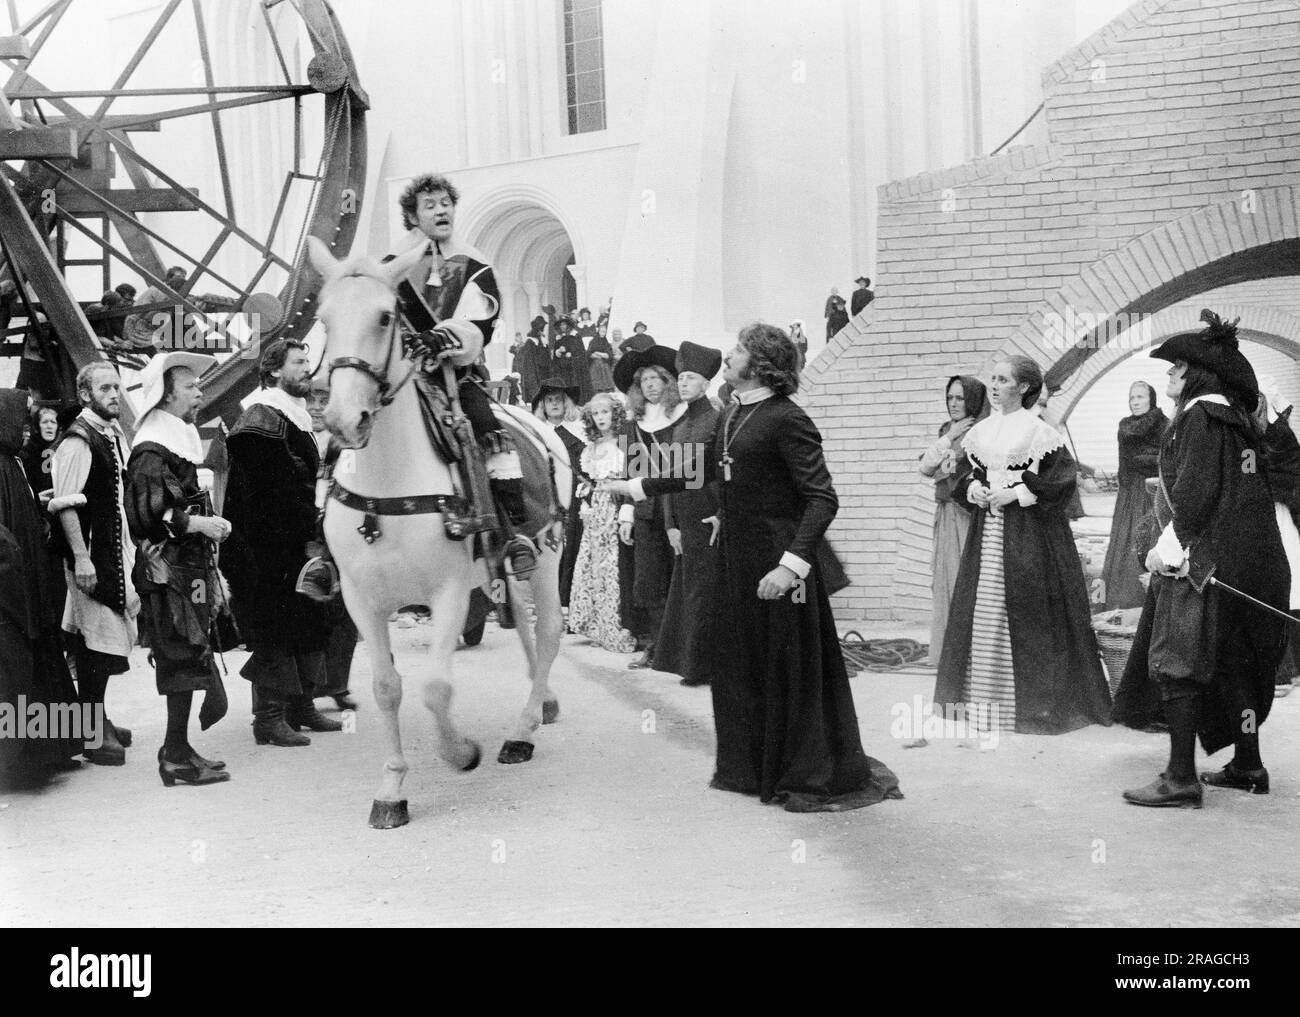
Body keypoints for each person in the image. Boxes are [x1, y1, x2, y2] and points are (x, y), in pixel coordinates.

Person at [604, 323, 902, 811]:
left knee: (785, 667)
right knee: (739, 665)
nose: (729, 353)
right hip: (735, 560)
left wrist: (790, 567)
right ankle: (748, 769)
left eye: (740, 348)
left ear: (761, 363)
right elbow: (701, 468)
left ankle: (804, 771)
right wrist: (637, 488)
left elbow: (822, 499)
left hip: (778, 565)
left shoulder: (788, 418)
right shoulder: (734, 412)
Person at [1117, 311, 1288, 808]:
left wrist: (1166, 549)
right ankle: (1249, 765)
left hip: (1205, 563)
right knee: (1236, 665)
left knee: (1178, 661)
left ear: (1197, 374)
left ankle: (1180, 777)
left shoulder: (1198, 417)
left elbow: (1195, 494)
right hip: (1250, 562)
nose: (1168, 375)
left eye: (1175, 368)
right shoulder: (1233, 420)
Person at [934, 355, 1112, 735]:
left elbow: (1061, 481)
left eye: (1003, 379)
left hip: (1030, 535)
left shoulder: (1040, 431)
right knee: (983, 607)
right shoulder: (982, 431)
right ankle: (982, 701)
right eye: (993, 379)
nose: (994, 386)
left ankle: (1033, 708)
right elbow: (964, 473)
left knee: (1030, 611)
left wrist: (1016, 494)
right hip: (988, 533)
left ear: (1025, 387)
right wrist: (974, 488)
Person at [387, 173, 539, 575]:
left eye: (445, 203)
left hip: (456, 374)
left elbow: (482, 322)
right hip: (401, 375)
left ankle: (511, 530)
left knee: (486, 425)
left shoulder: (473, 264)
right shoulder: (389, 266)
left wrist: (443, 338)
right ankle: (326, 548)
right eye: (430, 205)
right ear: (412, 216)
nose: (441, 211)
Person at [222, 339, 339, 746]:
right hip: (267, 546)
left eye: (308, 361)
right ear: (274, 371)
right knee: (274, 623)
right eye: (298, 362)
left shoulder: (295, 415)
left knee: (309, 618)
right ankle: (267, 719)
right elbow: (261, 495)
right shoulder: (260, 417)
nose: (307, 368)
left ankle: (302, 707)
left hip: (296, 539)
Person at [125, 352, 233, 786]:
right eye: (191, 387)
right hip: (168, 574)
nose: (200, 392)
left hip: (185, 571)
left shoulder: (172, 440)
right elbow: (148, 515)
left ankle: (179, 749)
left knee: (188, 654)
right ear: (168, 394)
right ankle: (174, 757)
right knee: (178, 657)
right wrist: (201, 523)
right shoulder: (151, 450)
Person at [48, 362, 139, 765]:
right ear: (85, 395)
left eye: (117, 387)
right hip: (89, 557)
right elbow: (65, 504)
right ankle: (91, 728)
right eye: (105, 388)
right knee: (95, 643)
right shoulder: (78, 440)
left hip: (108, 551)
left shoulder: (108, 433)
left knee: (98, 640)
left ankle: (93, 718)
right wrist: (82, 559)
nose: (115, 394)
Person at [0, 389, 81, 787]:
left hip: (30, 587)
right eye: (23, 421)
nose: (29, 430)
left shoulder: (11, 462)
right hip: (13, 595)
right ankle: (24, 763)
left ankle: (50, 751)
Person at [615, 336, 687, 669]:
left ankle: (683, 647)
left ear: (667, 382)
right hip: (646, 512)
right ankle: (656, 645)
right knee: (649, 577)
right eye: (644, 381)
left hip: (678, 509)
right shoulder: (631, 426)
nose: (651, 386)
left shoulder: (682, 419)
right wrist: (627, 512)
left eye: (656, 379)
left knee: (680, 577)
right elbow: (631, 470)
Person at [654, 342, 722, 687]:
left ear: (706, 384)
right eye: (680, 378)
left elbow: (728, 476)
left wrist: (723, 514)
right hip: (685, 522)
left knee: (709, 591)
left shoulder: (718, 422)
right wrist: (670, 526)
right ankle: (691, 663)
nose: (682, 384)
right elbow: (669, 481)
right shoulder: (679, 428)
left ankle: (706, 666)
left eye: (690, 378)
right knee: (689, 590)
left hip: (710, 521)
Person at [918, 375, 990, 671]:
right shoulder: (947, 431)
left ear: (972, 399)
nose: (954, 404)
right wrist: (949, 438)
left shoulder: (984, 430)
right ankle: (948, 653)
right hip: (947, 514)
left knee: (967, 580)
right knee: (945, 579)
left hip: (969, 515)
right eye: (950, 398)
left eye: (960, 398)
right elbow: (926, 468)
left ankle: (972, 655)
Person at [567, 393, 637, 653]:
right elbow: (589, 480)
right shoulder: (590, 447)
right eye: (596, 414)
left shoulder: (625, 443)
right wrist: (585, 494)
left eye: (605, 413)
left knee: (614, 567)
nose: (601, 418)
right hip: (595, 512)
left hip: (616, 508)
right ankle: (594, 622)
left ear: (615, 414)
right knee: (592, 563)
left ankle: (618, 624)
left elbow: (632, 477)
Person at [305, 377, 359, 712]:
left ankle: (337, 684)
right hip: (306, 529)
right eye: (310, 400)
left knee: (344, 610)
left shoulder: (345, 443)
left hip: (339, 531)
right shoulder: (294, 434)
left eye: (322, 401)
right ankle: (308, 687)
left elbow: (352, 483)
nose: (315, 407)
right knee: (312, 608)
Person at [1101, 381, 1167, 611]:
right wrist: (1124, 489)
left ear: (1151, 399)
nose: (1136, 402)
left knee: (1148, 539)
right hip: (1130, 491)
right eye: (1132, 398)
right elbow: (1123, 463)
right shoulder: (1125, 426)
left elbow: (1167, 458)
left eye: (1140, 397)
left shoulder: (1163, 423)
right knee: (1124, 543)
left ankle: (1147, 603)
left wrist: (1144, 460)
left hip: (1153, 489)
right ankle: (1118, 602)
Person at [532, 377, 587, 608]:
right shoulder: (537, 431)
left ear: (566, 404)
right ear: (542, 406)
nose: (554, 404)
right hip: (546, 495)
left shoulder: (578, 431)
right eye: (549, 400)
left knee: (571, 541)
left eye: (558, 400)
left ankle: (568, 600)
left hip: (573, 494)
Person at [544, 307, 592, 407]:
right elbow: (555, 353)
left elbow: (579, 351)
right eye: (561, 324)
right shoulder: (559, 337)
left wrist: (570, 353)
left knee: (574, 384)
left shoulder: (575, 335)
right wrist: (558, 351)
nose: (563, 326)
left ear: (568, 325)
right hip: (562, 368)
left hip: (574, 367)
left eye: (564, 324)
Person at [20, 404, 60, 502]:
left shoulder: (63, 448)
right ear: (37, 426)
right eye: (45, 422)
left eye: (53, 422)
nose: (49, 426)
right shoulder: (28, 451)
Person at [513, 320, 550, 407]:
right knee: (534, 387)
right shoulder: (530, 342)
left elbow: (545, 356)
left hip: (542, 369)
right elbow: (530, 359)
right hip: (533, 369)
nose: (541, 332)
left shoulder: (542, 341)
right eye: (540, 330)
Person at [587, 322, 616, 395]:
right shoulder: (593, 342)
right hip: (594, 365)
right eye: (601, 331)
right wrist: (595, 355)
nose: (603, 333)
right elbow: (589, 354)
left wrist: (598, 353)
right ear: (598, 331)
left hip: (604, 365)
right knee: (595, 387)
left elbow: (609, 355)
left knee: (608, 387)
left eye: (604, 332)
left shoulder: (606, 343)